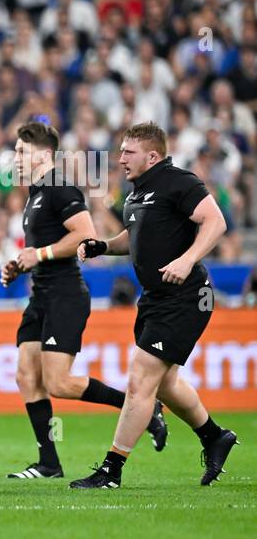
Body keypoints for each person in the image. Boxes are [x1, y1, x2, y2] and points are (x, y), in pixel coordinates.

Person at [71, 122, 238, 488]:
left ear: (152, 156)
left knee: (140, 379)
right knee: (165, 384)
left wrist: (187, 259)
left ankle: (111, 470)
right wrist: (103, 245)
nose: (120, 159)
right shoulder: (136, 194)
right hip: (156, 298)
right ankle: (214, 436)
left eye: (128, 153)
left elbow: (216, 220)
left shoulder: (179, 181)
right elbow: (136, 237)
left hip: (188, 295)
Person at [0, 121, 167, 478]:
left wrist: (39, 255)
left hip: (64, 294)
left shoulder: (60, 188)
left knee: (58, 383)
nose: (14, 158)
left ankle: (143, 407)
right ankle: (49, 463)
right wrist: (20, 266)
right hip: (41, 293)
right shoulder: (35, 193)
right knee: (26, 376)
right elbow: (43, 249)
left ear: (43, 155)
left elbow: (85, 235)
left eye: (21, 151)